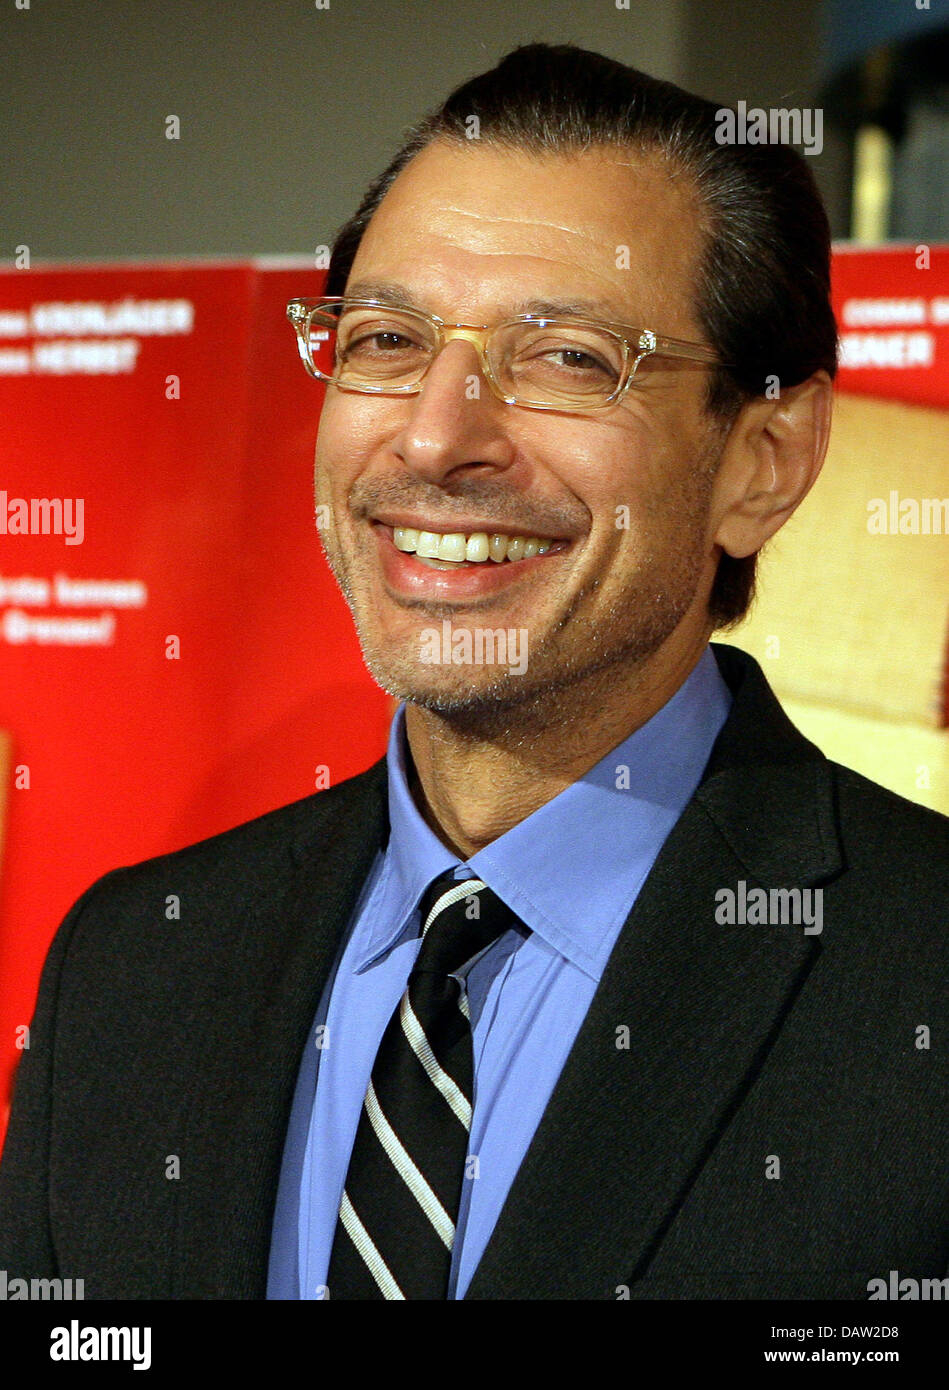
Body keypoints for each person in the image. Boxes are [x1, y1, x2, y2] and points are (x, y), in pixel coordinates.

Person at [1, 43, 947, 1302]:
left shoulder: (914, 977)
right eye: (386, 339)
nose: (435, 436)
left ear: (761, 460)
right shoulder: (131, 973)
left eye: (567, 358)